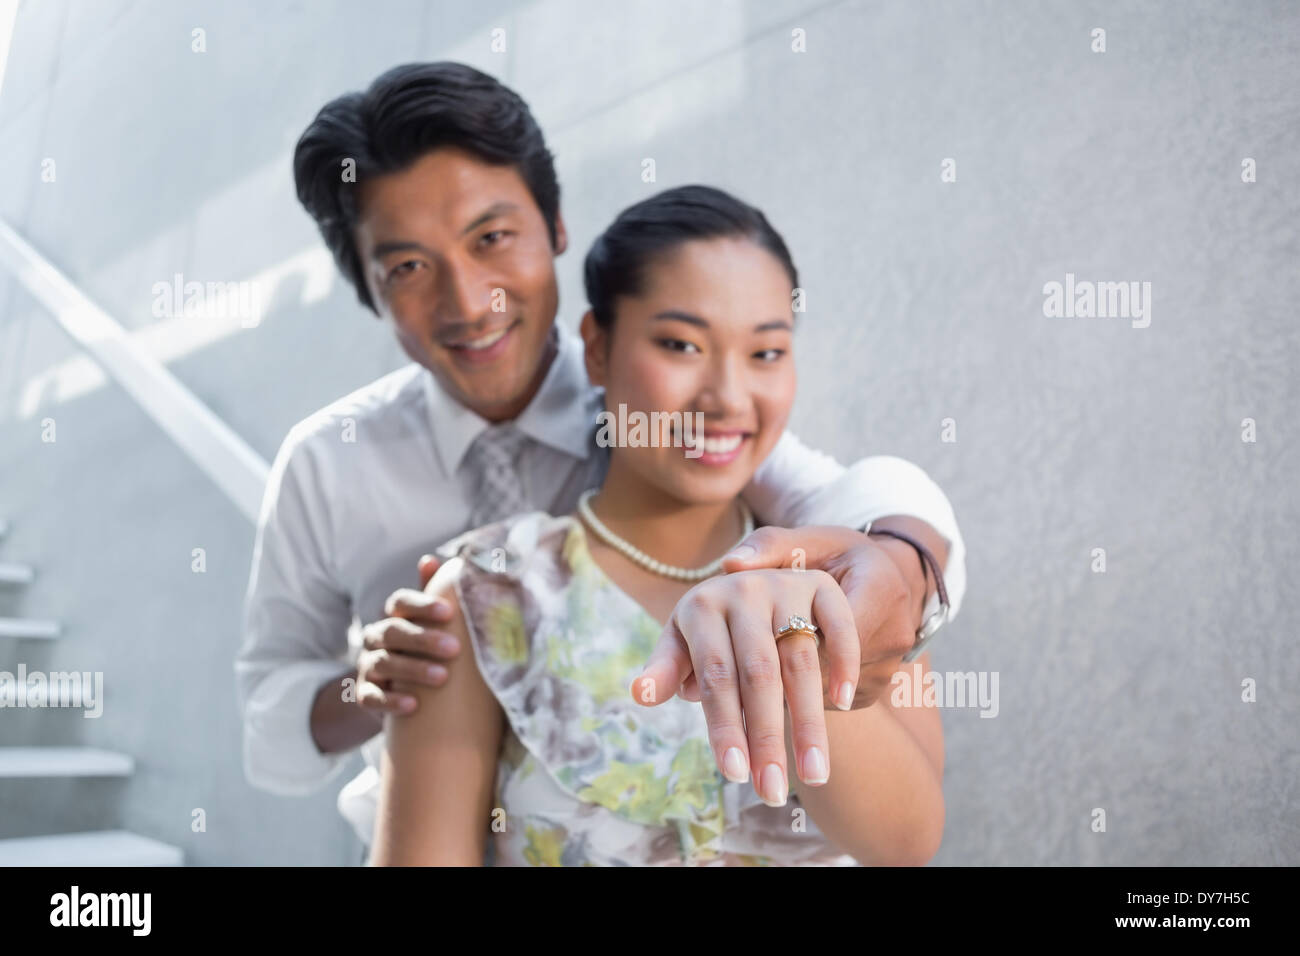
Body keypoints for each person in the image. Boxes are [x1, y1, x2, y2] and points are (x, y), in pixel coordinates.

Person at [236, 62, 966, 855]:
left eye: (492, 237)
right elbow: (269, 700)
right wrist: (369, 685)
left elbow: (859, 496)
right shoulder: (332, 467)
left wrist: (901, 559)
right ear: (369, 290)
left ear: (554, 227)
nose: (468, 299)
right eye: (408, 267)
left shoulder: (682, 435)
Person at [372, 185, 945, 866]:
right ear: (597, 347)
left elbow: (907, 845)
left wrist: (797, 640)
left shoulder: (845, 576)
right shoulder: (488, 597)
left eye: (765, 353)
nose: (727, 398)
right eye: (680, 344)